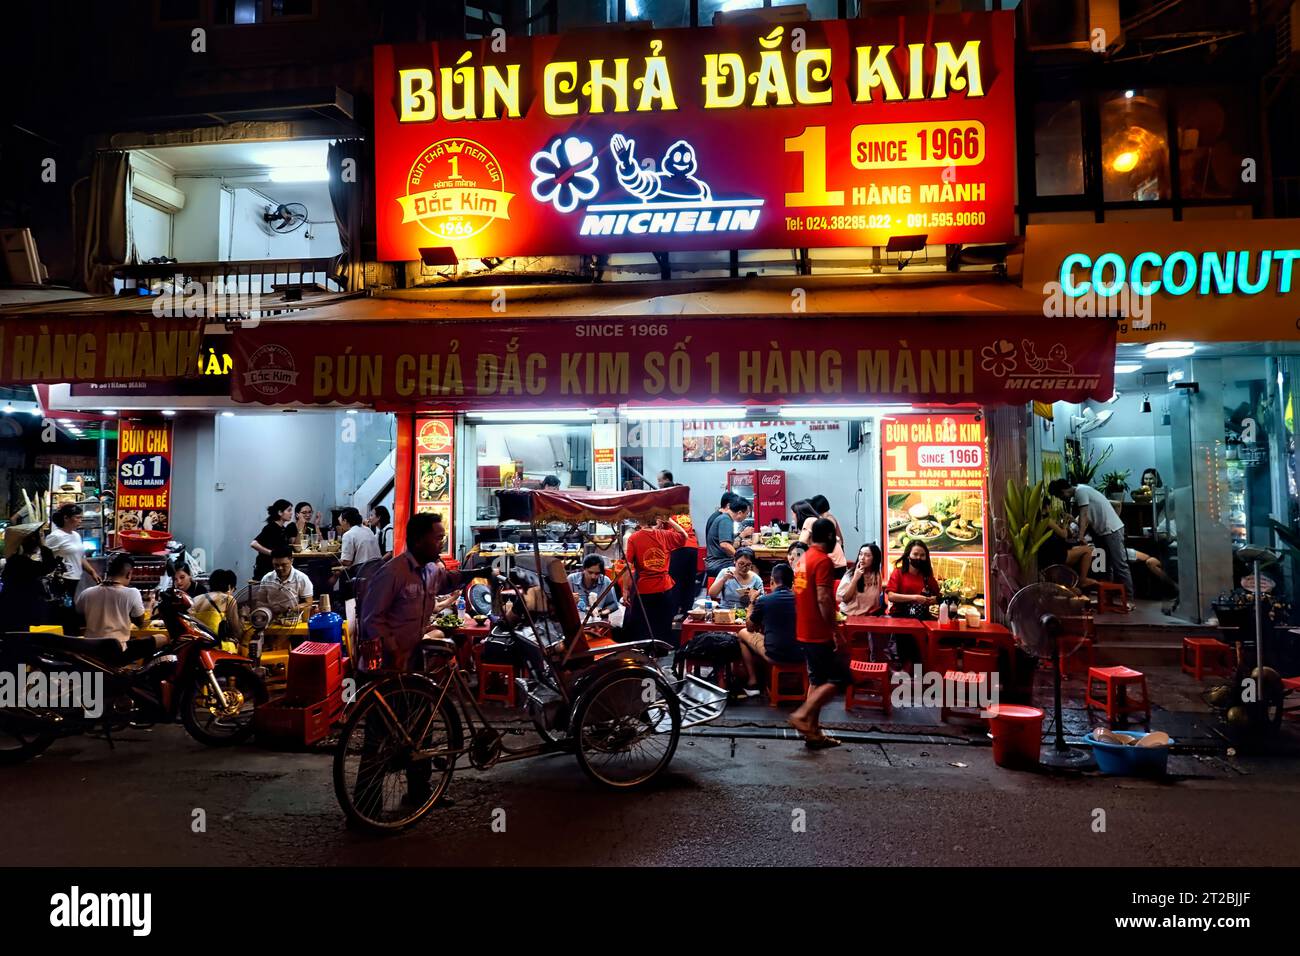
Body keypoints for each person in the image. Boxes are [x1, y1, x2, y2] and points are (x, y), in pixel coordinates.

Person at [356, 512, 461, 805]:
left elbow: (448, 582)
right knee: (379, 738)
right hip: (386, 667)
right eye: (437, 538)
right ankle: (366, 807)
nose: (441, 543)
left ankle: (419, 794)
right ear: (418, 539)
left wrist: (481, 571)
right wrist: (395, 651)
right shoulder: (393, 572)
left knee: (420, 729)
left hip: (415, 663)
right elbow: (371, 619)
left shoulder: (431, 570)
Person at [790, 518, 849, 748]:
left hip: (804, 628)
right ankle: (802, 716)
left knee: (817, 680)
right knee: (840, 678)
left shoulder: (804, 559)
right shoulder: (823, 561)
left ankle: (813, 734)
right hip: (818, 631)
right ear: (829, 537)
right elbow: (824, 598)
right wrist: (834, 630)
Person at [1049, 478, 1133, 607]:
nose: (1061, 499)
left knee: (1119, 565)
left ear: (1063, 491)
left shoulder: (1080, 492)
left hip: (1111, 530)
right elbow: (1085, 517)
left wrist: (1081, 536)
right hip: (1101, 532)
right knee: (1106, 567)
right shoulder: (1082, 489)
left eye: (1059, 496)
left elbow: (1084, 515)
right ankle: (1106, 598)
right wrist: (1074, 524)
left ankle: (1129, 599)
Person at [735, 562, 803, 697]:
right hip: (803, 654)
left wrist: (752, 602)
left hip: (775, 655)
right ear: (792, 582)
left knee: (742, 634)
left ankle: (753, 681)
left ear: (772, 581)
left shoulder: (764, 600)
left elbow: (750, 627)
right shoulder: (803, 600)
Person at [623, 515, 686, 647]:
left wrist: (625, 589)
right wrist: (668, 519)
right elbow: (683, 535)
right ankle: (660, 653)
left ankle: (645, 654)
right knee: (663, 624)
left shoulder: (633, 538)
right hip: (665, 588)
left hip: (644, 589)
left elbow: (628, 566)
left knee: (643, 626)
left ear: (639, 521)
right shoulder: (664, 535)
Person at [76, 553, 155, 649]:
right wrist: (149, 605)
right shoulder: (132, 593)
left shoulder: (86, 593)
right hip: (117, 650)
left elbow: (79, 619)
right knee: (162, 638)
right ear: (129, 574)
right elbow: (140, 623)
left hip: (90, 648)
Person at [885, 541, 941, 666]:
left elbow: (938, 597)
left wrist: (932, 600)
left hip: (922, 619)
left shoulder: (927, 576)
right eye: (915, 554)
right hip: (901, 618)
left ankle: (917, 675)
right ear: (907, 555)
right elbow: (891, 596)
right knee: (905, 650)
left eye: (922, 555)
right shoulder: (898, 573)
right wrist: (915, 598)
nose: (918, 558)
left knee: (920, 651)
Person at [0, 529, 59, 631]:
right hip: (24, 607)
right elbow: (48, 566)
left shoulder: (14, 560)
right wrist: (43, 545)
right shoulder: (22, 562)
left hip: (11, 606)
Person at [45, 503, 101, 591]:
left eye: (81, 518)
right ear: (66, 518)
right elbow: (43, 555)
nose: (80, 520)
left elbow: (80, 557)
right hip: (62, 579)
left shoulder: (76, 535)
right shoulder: (56, 536)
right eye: (77, 517)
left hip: (76, 578)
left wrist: (92, 572)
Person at [190, 569, 243, 651]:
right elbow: (237, 632)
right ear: (229, 587)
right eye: (234, 589)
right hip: (216, 647)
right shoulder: (228, 599)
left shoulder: (195, 599)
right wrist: (243, 615)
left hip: (195, 646)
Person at [797, 494, 847, 577]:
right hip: (836, 557)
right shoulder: (825, 517)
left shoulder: (827, 518)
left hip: (833, 558)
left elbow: (801, 545)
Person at [705, 495, 748, 578]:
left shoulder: (725, 518)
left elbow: (729, 544)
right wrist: (741, 558)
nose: (746, 517)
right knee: (751, 567)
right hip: (719, 563)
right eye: (746, 514)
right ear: (739, 513)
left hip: (718, 562)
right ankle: (746, 590)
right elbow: (725, 545)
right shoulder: (725, 520)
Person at [250, 499, 294, 580]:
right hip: (266, 568)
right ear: (280, 512)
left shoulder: (282, 529)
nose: (291, 513)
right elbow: (254, 544)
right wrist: (272, 553)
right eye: (289, 510)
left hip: (277, 567)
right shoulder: (271, 528)